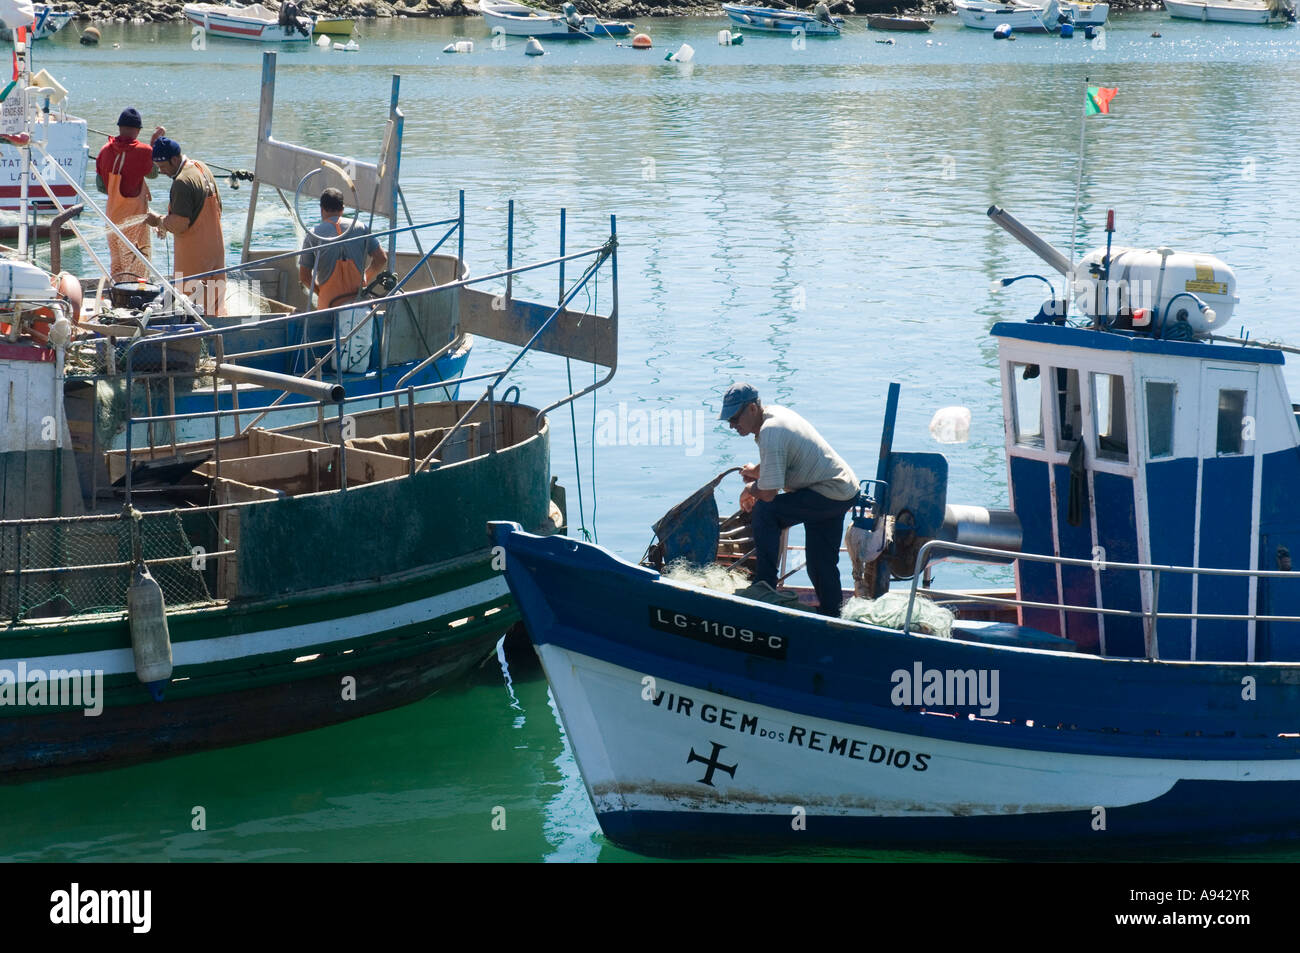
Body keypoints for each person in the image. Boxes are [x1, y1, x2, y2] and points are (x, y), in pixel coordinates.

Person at [721, 382, 860, 617]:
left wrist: (750, 489)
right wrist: (756, 471)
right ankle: (834, 616)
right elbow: (783, 462)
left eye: (735, 418)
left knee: (767, 511)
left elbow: (768, 493)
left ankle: (764, 588)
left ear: (752, 409)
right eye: (728, 421)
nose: (733, 425)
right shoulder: (775, 416)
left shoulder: (769, 432)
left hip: (826, 492)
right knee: (820, 562)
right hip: (840, 491)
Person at [143, 137, 226, 316]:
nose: (162, 172)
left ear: (174, 160)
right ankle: (217, 334)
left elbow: (180, 224)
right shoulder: (201, 168)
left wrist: (158, 221)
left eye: (163, 166)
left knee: (191, 309)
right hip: (216, 255)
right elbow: (219, 207)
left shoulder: (182, 182)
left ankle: (195, 341)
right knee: (214, 307)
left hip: (194, 259)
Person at [94, 108, 163, 278]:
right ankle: (135, 303)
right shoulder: (143, 151)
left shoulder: (104, 151)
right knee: (137, 268)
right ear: (138, 130)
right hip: (134, 221)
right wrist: (155, 143)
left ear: (119, 127)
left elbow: (101, 186)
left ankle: (117, 296)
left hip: (111, 218)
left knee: (117, 266)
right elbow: (154, 173)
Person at [297, 187, 388, 309]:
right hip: (359, 302)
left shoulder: (313, 235)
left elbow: (304, 277)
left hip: (329, 305)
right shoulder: (361, 227)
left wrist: (321, 293)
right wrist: (365, 278)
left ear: (321, 209)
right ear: (343, 208)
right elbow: (381, 258)